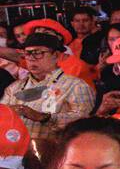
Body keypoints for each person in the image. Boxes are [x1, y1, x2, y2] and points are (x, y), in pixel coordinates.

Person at [1, 28, 95, 157]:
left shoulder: (76, 86)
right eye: (28, 53)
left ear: (56, 55)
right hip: (18, 156)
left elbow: (83, 122)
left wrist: (44, 117)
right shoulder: (14, 88)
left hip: (59, 154)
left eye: (38, 53)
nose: (31, 59)